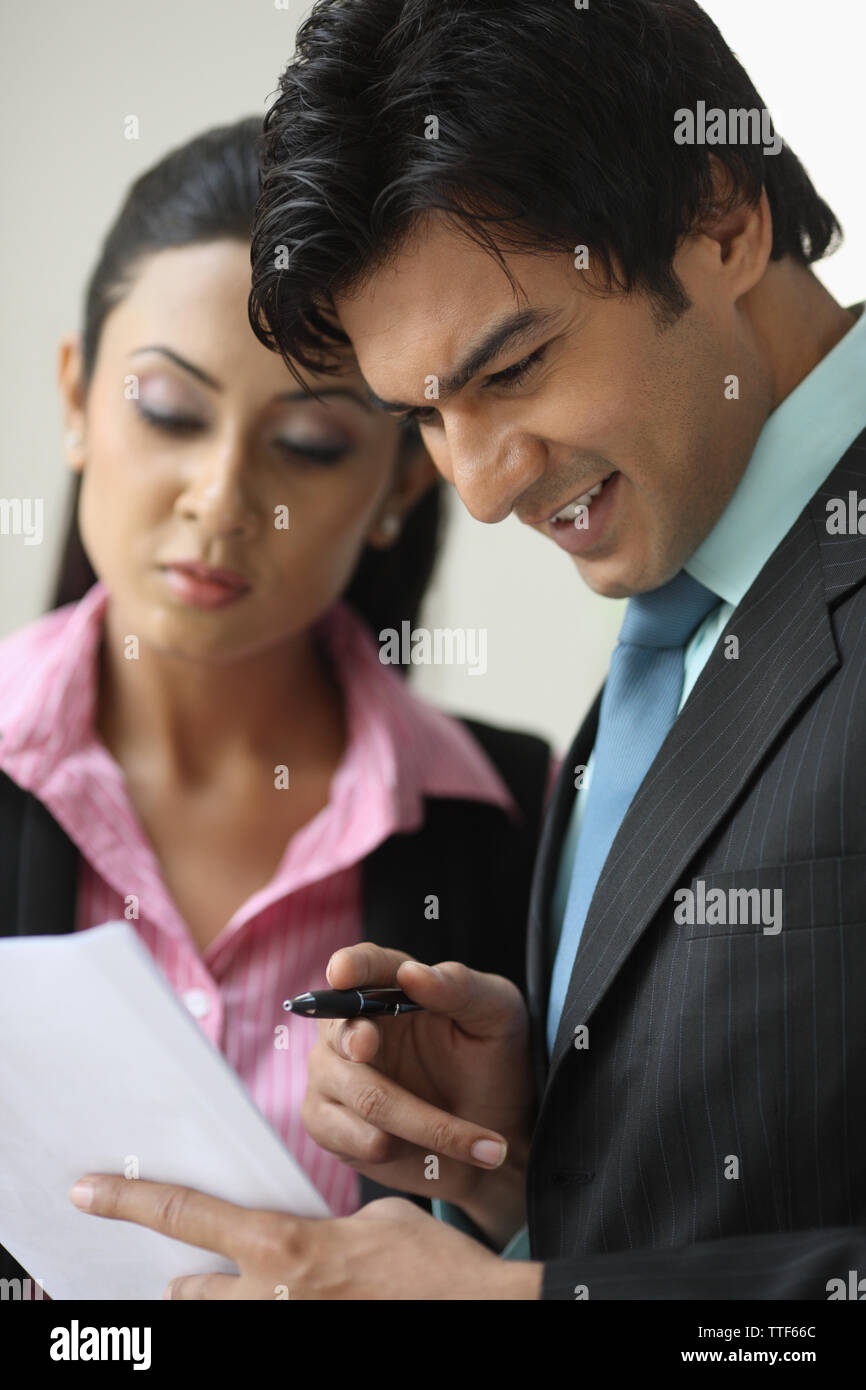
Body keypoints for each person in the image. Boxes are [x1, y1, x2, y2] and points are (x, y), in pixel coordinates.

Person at [68, 0, 866, 1300]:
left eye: (514, 367)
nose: (481, 488)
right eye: (423, 417)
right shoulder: (678, 610)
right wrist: (531, 1164)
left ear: (721, 217)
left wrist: (509, 1304)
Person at [0, 114, 554, 1293]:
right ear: (76, 396)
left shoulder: (523, 821)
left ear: (401, 481)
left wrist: (500, 1199)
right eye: (167, 409)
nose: (221, 497)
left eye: (306, 441)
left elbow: (601, 1238)